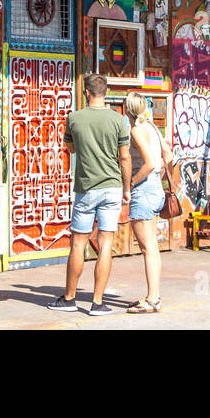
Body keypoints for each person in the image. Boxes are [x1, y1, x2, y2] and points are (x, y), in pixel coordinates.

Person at [48, 73, 130, 315]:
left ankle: (70, 299)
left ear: (86, 92)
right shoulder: (119, 120)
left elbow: (71, 150)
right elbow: (124, 156)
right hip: (113, 188)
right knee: (105, 244)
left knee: (78, 244)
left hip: (86, 188)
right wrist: (127, 188)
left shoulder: (74, 118)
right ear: (105, 93)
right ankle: (97, 302)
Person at [124, 90, 172, 314]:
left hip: (143, 190)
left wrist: (131, 183)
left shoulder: (136, 130)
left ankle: (152, 299)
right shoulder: (152, 127)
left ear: (128, 110)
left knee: (147, 248)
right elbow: (168, 156)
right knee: (152, 247)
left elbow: (150, 163)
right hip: (155, 190)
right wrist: (158, 181)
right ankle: (155, 296)